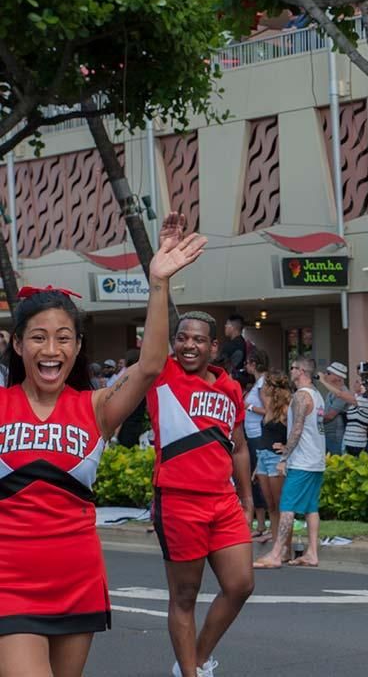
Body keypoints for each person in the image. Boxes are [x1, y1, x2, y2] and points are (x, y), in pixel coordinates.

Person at [0, 213, 203, 677]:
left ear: (77, 347)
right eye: (38, 338)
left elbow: (151, 365)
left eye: (63, 338)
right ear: (18, 346)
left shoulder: (96, 407)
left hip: (76, 578)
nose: (51, 350)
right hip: (7, 579)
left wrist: (158, 282)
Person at [148, 308, 255, 677]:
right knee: (184, 596)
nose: (188, 345)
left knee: (240, 585)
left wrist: (247, 499)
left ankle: (195, 661)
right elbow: (153, 341)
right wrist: (160, 284)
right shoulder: (162, 374)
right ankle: (189, 673)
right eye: (182, 338)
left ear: (214, 346)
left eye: (198, 339)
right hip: (178, 500)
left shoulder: (230, 387)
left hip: (223, 501)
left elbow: (239, 447)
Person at [253, 357, 326, 569]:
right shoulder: (317, 395)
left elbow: (297, 428)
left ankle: (277, 554)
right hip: (316, 460)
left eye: (293, 368)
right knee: (311, 508)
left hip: (303, 461)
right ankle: (312, 553)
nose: (290, 371)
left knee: (287, 505)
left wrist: (285, 456)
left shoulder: (302, 396)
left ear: (301, 371)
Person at [253, 372, 291, 548]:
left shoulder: (287, 409)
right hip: (263, 456)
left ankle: (284, 547)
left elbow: (298, 431)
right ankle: (276, 546)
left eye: (266, 384)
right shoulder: (269, 407)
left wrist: (286, 447)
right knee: (271, 506)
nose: (263, 388)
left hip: (276, 458)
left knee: (280, 504)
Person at [242, 350, 270, 539]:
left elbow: (268, 410)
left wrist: (249, 407)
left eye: (247, 363)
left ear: (253, 364)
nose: (246, 367)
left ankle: (262, 523)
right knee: (254, 477)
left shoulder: (262, 384)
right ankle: (259, 523)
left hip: (258, 435)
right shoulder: (257, 384)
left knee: (258, 477)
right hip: (252, 434)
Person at [317, 363, 368, 456]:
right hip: (347, 441)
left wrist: (323, 381)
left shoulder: (364, 401)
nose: (325, 374)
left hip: (354, 442)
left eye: (328, 373)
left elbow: (339, 395)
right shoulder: (356, 398)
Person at [114, 349, 150, 449]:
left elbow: (121, 411)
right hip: (138, 427)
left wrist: (114, 435)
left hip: (127, 429)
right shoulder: (145, 381)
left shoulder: (127, 381)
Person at [320, 361, 348, 455]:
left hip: (335, 436)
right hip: (327, 434)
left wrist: (314, 421)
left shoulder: (343, 393)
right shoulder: (331, 392)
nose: (325, 375)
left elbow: (330, 416)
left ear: (337, 377)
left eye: (328, 373)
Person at [217, 315, 247, 379]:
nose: (225, 326)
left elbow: (219, 366)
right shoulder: (244, 343)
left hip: (227, 379)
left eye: (227, 324)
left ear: (232, 327)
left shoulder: (230, 346)